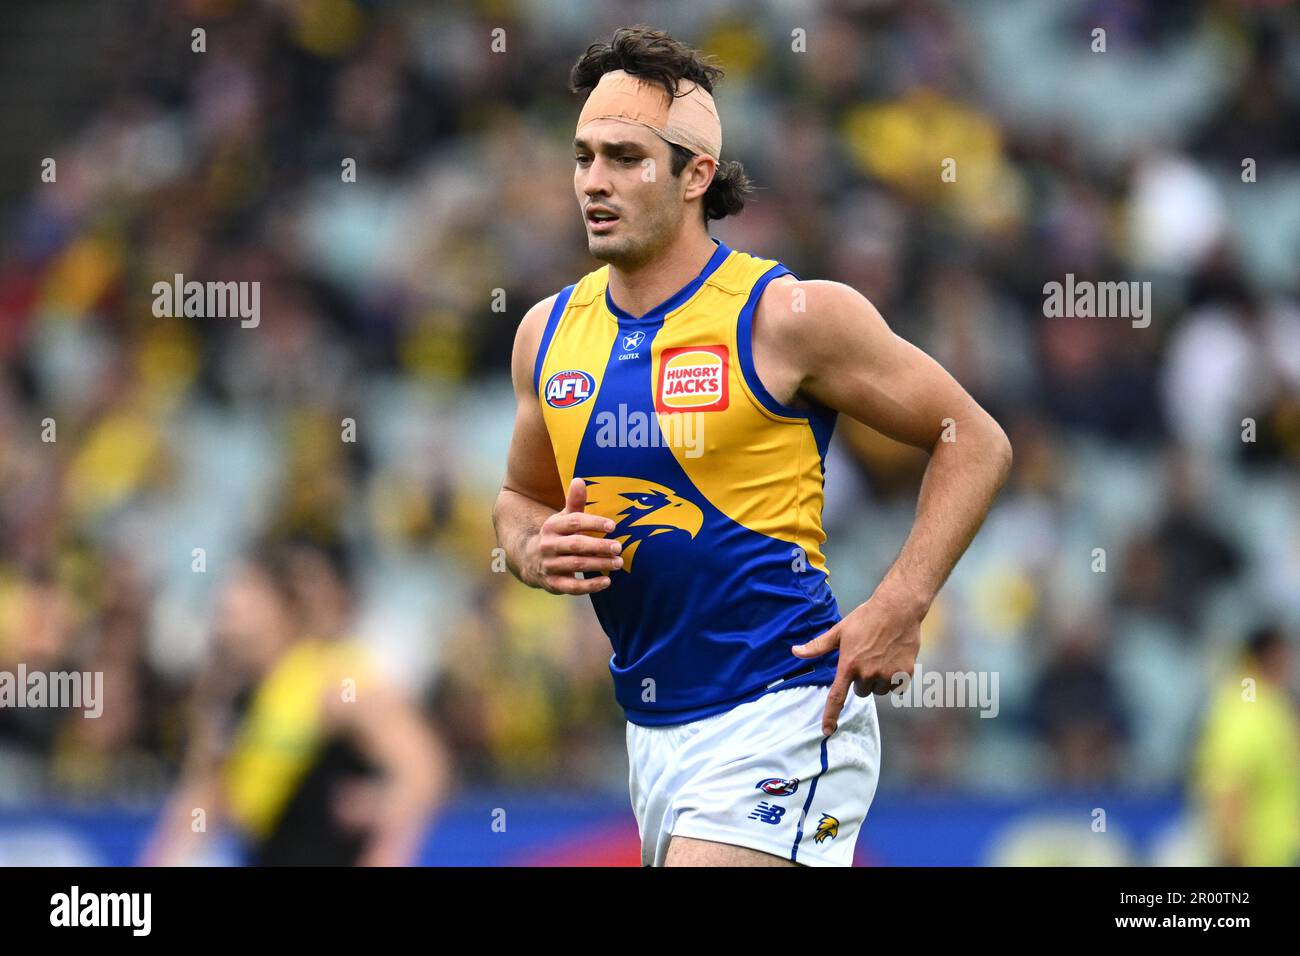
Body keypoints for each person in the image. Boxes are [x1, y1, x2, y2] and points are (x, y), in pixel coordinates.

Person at [492, 26, 1012, 867]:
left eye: (625, 157)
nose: (594, 181)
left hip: (785, 710)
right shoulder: (546, 335)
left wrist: (902, 601)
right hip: (655, 735)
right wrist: (532, 547)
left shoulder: (787, 318)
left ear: (696, 174)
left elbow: (974, 438)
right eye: (584, 156)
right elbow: (520, 501)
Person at [141, 542, 449, 866]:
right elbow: (203, 795)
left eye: (245, 591)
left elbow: (423, 770)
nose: (226, 606)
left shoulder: (330, 678)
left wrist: (384, 828)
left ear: (282, 605)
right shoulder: (233, 698)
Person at [1193, 623, 1300, 866]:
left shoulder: (1270, 705)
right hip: (1260, 857)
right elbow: (1227, 786)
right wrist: (1232, 853)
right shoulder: (1247, 711)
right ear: (1273, 655)